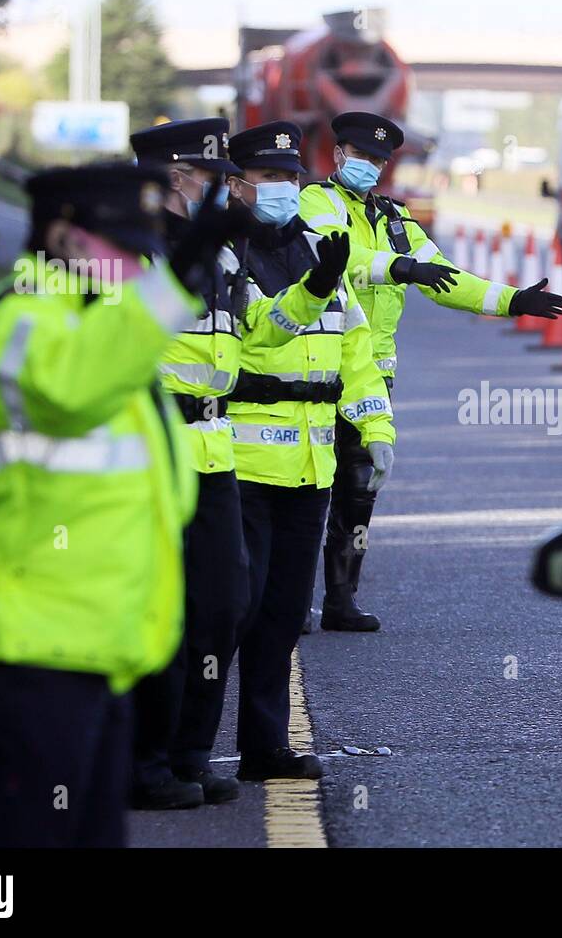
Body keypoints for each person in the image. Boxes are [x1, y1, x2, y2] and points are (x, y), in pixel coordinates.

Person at [0, 163, 204, 846]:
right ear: (67, 238)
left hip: (88, 650)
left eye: (149, 248)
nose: (139, 262)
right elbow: (72, 389)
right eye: (125, 245)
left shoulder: (93, 325)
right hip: (30, 652)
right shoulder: (23, 317)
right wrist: (174, 285)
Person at [126, 118, 348, 807]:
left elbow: (260, 331)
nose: (223, 192)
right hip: (154, 449)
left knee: (222, 609)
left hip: (214, 449)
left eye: (226, 181)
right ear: (170, 181)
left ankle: (192, 754)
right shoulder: (131, 258)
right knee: (166, 613)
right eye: (211, 180)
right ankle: (147, 761)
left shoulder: (219, 256)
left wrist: (313, 291)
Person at [300, 111, 562, 632]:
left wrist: (512, 301)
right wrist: (398, 266)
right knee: (306, 488)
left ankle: (340, 599)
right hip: (315, 368)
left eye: (378, 159)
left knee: (359, 492)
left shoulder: (396, 220)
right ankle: (287, 600)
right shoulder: (317, 202)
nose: (369, 165)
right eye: (360, 155)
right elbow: (335, 256)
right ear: (338, 156)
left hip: (373, 378)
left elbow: (446, 278)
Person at [221, 120, 396, 781]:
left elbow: (356, 351)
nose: (282, 190)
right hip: (237, 462)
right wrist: (314, 288)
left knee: (283, 616)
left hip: (309, 465)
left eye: (291, 178)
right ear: (236, 183)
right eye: (268, 178)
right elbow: (262, 335)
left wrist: (376, 428)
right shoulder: (222, 254)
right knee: (226, 613)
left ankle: (264, 747)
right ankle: (178, 751)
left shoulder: (319, 247)